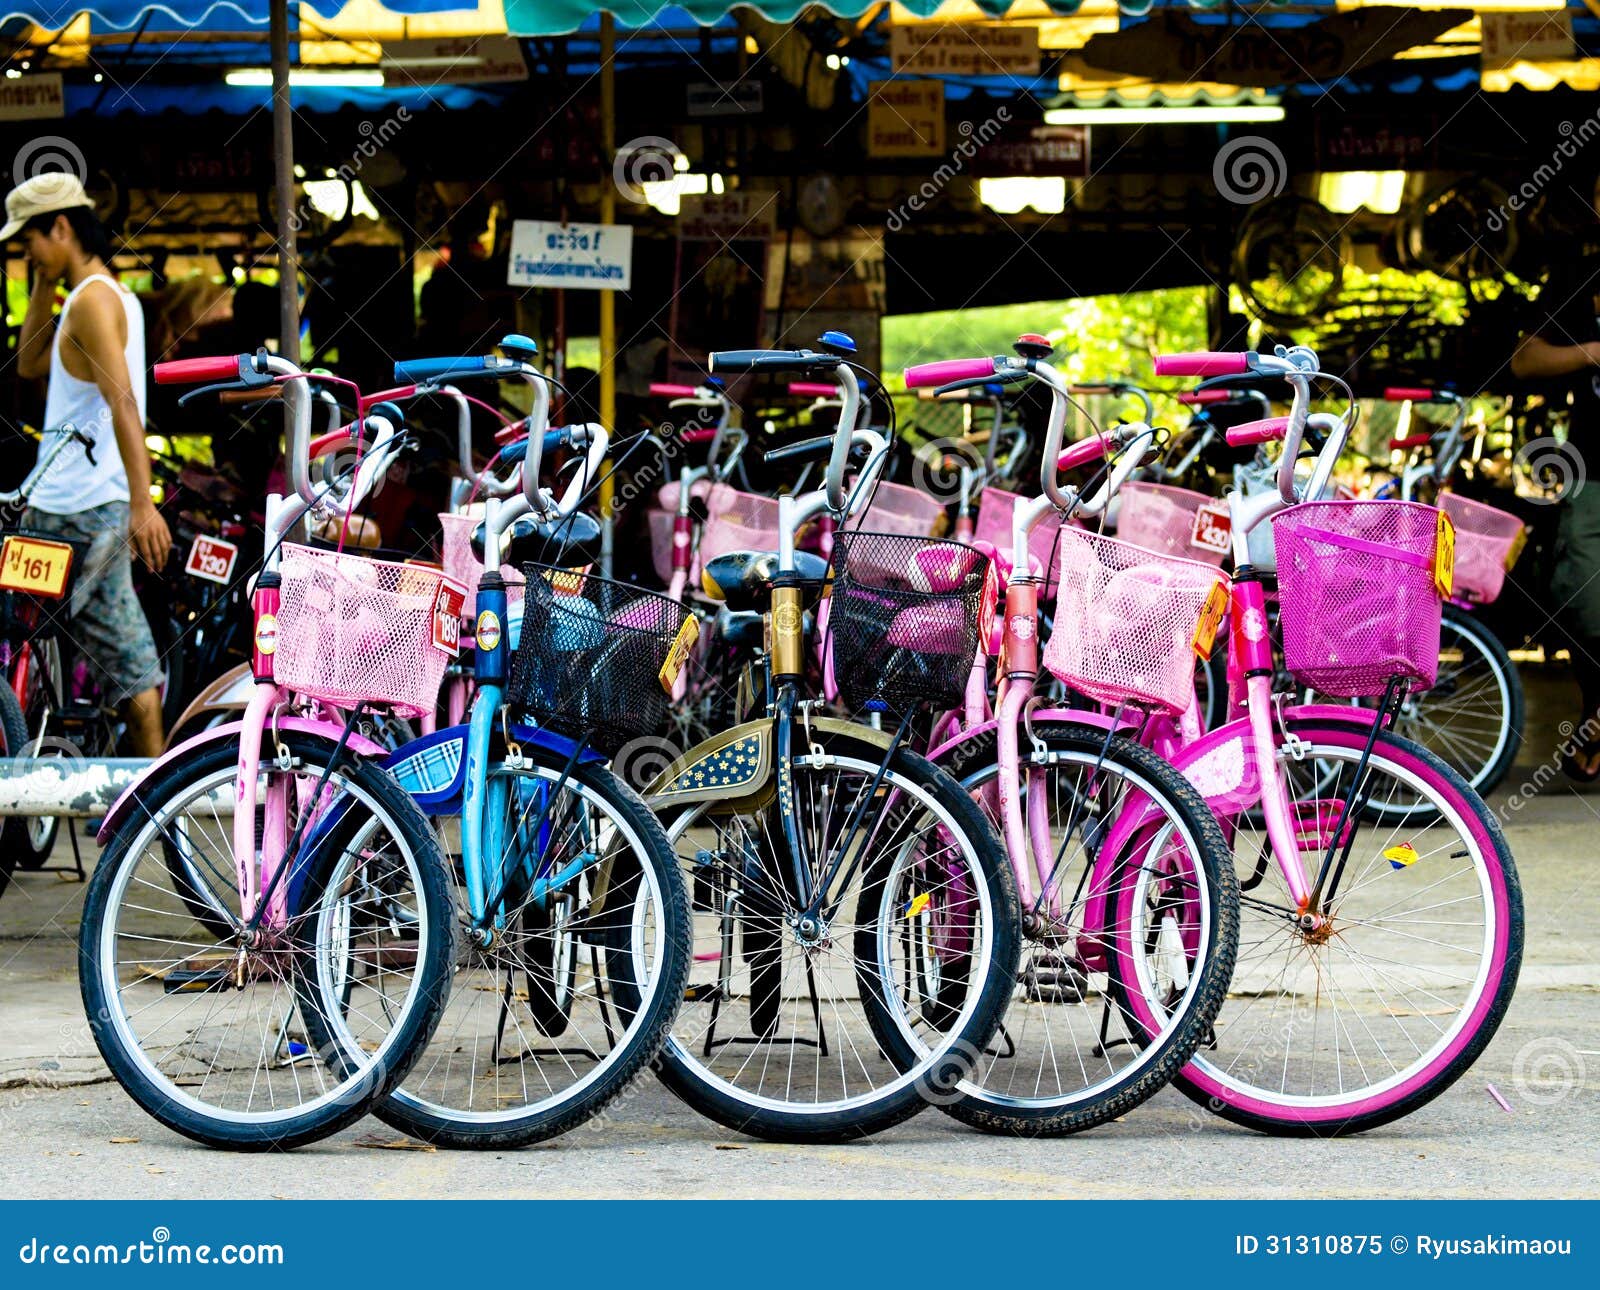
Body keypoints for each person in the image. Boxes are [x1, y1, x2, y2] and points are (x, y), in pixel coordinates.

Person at [5, 172, 171, 757]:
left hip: (82, 514)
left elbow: (122, 401)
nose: (26, 254)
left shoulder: (94, 303)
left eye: (29, 241)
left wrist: (142, 503)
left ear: (60, 227)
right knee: (106, 673)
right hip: (67, 510)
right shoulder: (101, 297)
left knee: (137, 682)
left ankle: (160, 801)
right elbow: (29, 365)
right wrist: (43, 281)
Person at [1513, 245, 1600, 779]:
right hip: (1593, 477)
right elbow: (1524, 359)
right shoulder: (1580, 272)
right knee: (1583, 604)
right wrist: (1591, 351)